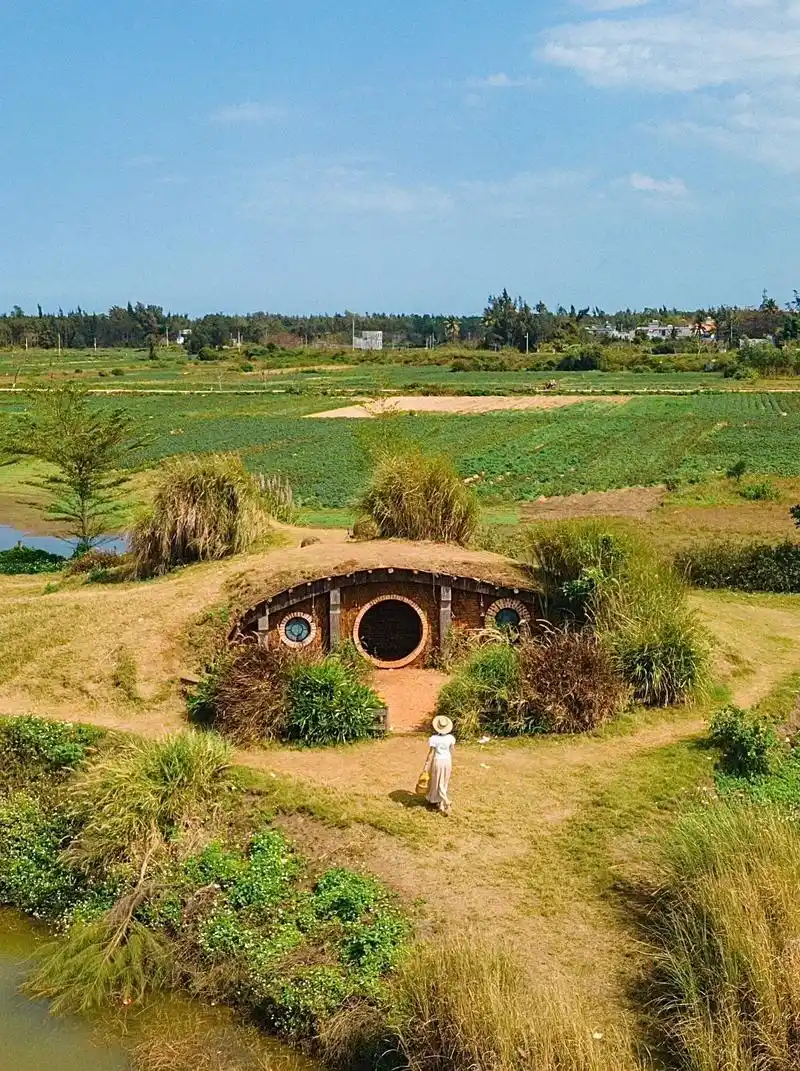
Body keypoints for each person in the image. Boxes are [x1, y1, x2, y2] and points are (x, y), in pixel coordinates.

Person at [422, 715, 455, 816]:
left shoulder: (434, 739)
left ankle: (445, 801)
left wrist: (426, 765)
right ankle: (440, 803)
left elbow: (431, 753)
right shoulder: (451, 738)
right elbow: (452, 751)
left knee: (436, 782)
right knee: (444, 782)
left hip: (438, 761)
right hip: (447, 761)